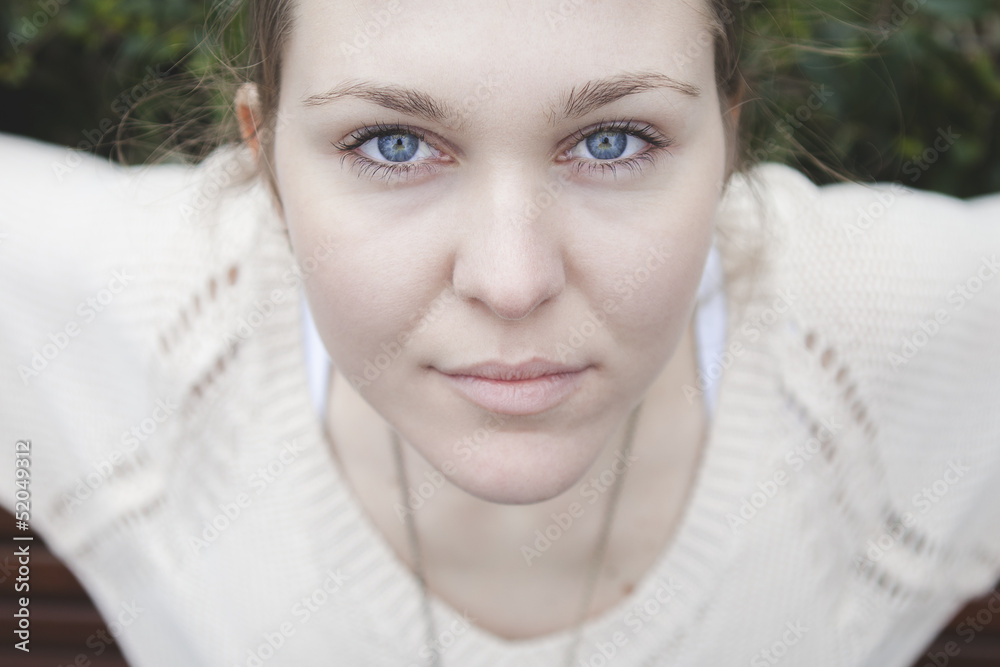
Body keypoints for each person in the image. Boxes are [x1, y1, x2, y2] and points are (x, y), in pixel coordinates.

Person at [1, 0, 999, 665]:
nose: (513, 280)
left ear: (725, 139)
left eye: (614, 141)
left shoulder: (886, 340)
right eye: (391, 144)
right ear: (264, 158)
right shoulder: (142, 320)